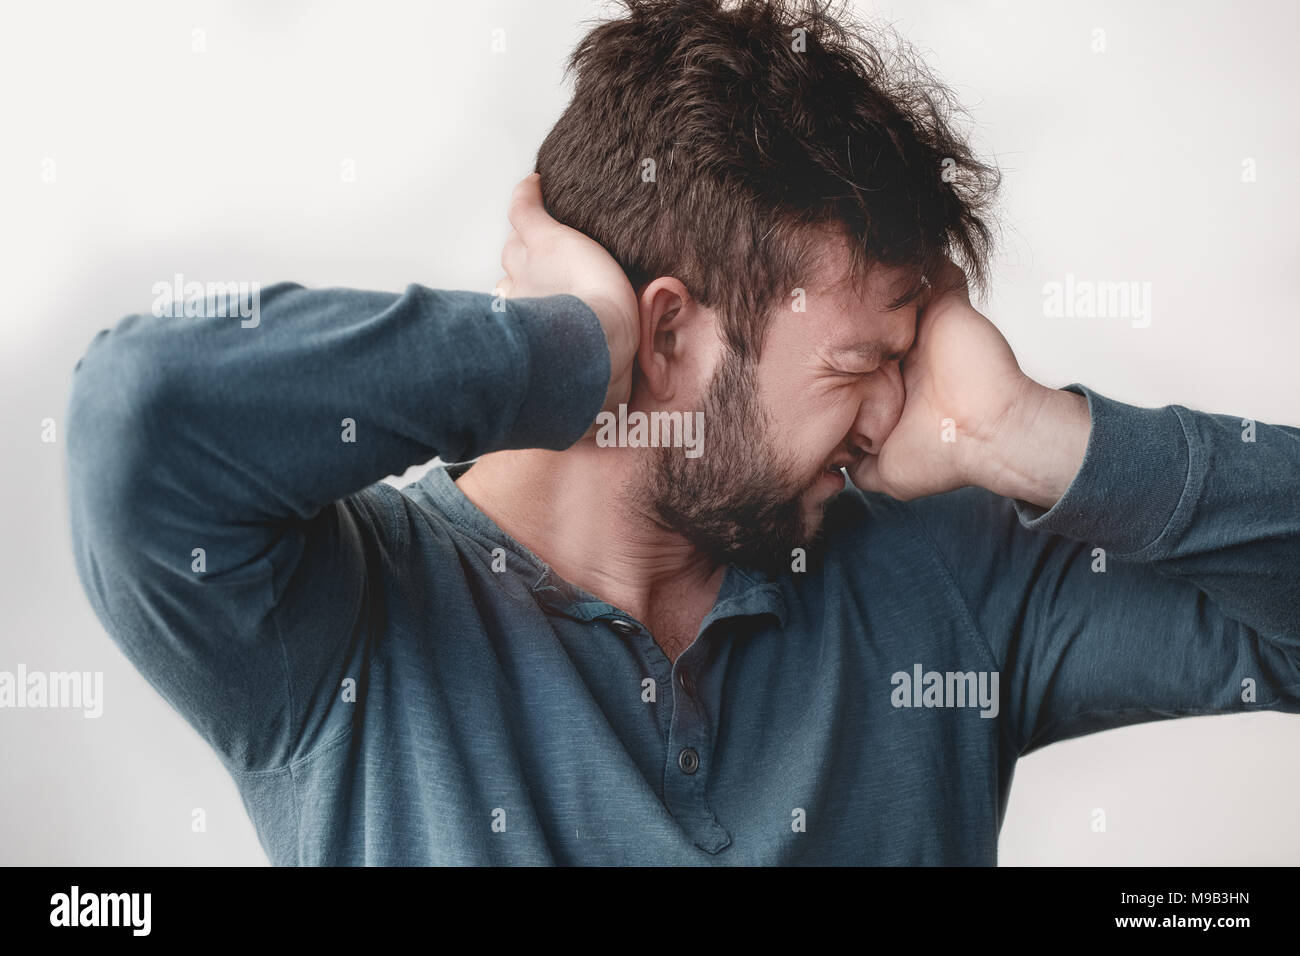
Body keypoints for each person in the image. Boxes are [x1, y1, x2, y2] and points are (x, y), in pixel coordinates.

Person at [66, 0, 1299, 864]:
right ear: (667, 338)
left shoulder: (952, 579)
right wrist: (565, 348)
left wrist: (1040, 435)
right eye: (865, 366)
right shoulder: (342, 623)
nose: (894, 419)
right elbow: (139, 415)